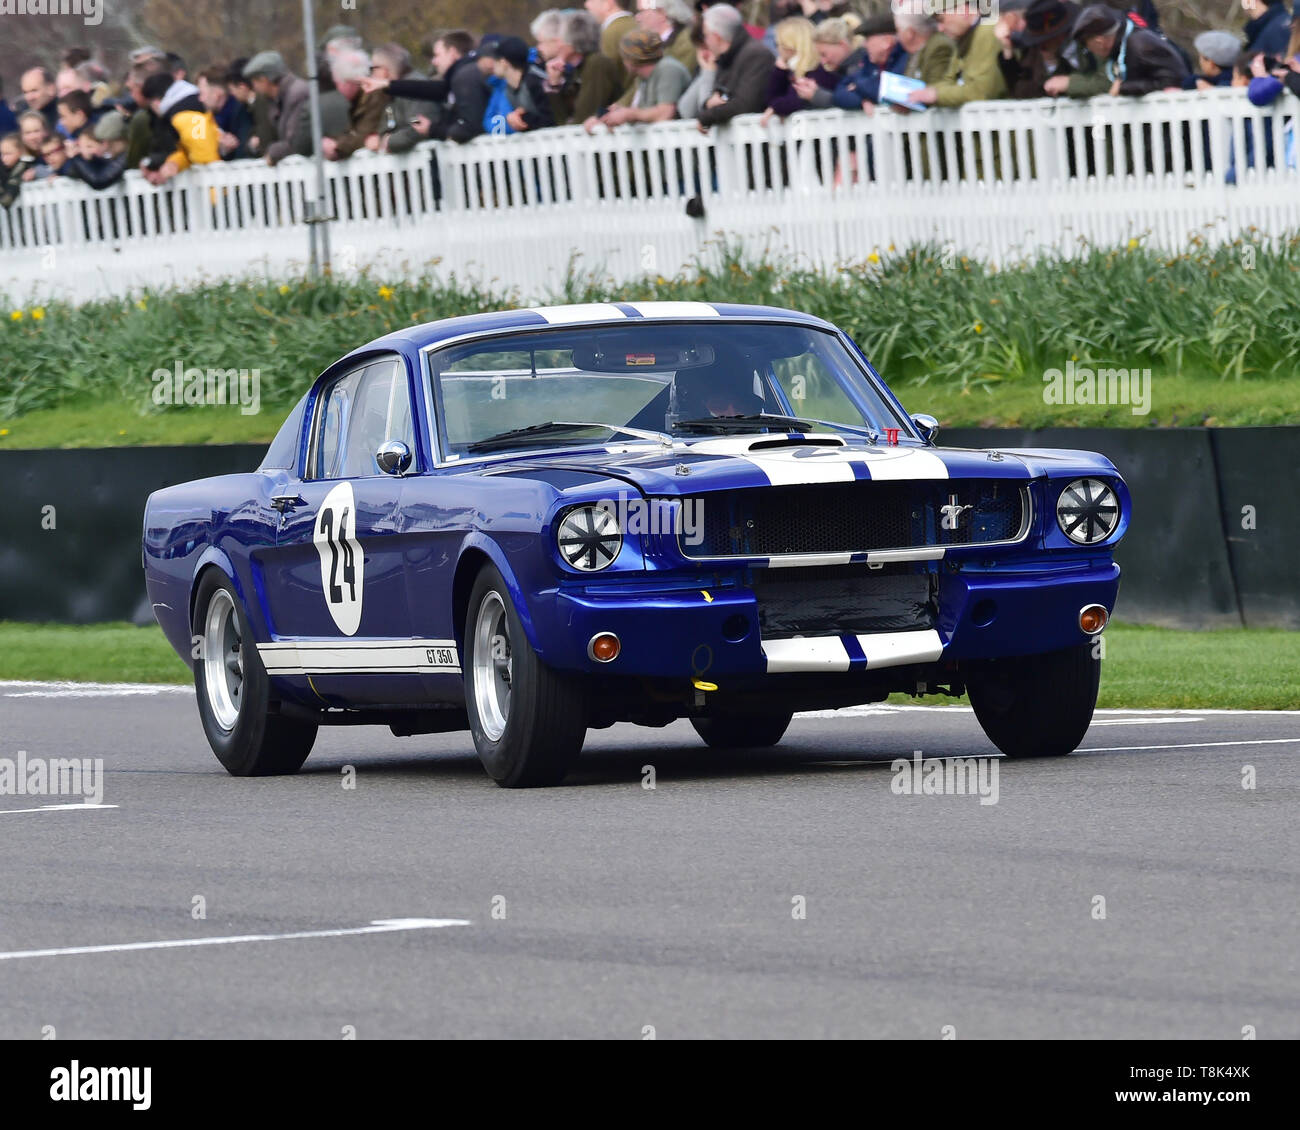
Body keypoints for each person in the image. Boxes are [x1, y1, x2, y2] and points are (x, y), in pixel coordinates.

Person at [361, 29, 488, 144]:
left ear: (452, 52)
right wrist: (386, 84)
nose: (434, 62)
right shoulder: (458, 78)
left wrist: (388, 142)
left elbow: (468, 126)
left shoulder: (465, 77)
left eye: (437, 55)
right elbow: (426, 89)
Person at [1070, 5, 1189, 96]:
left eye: (1087, 46)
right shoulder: (1125, 45)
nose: (1090, 51)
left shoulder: (1141, 46)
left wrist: (1124, 88)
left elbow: (1173, 82)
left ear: (1099, 42)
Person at [588, 27, 692, 129]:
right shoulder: (641, 77)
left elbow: (665, 113)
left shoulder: (668, 69)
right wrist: (600, 119)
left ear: (629, 60)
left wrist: (630, 114)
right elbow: (620, 107)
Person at [907, 1, 1007, 106]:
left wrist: (936, 94)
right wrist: (925, 95)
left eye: (941, 20)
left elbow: (981, 92)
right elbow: (948, 81)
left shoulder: (986, 33)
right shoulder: (965, 37)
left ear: (963, 11)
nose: (940, 28)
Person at [696, 3, 776, 129]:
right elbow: (718, 97)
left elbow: (745, 104)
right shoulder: (727, 57)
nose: (706, 42)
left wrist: (707, 116)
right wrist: (708, 104)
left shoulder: (756, 55)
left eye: (706, 36)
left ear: (717, 37)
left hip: (759, 140)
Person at [542, 9, 624, 125]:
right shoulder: (577, 70)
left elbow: (583, 117)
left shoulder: (597, 64)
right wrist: (554, 83)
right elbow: (561, 120)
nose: (557, 46)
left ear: (573, 41)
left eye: (559, 39)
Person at [139, 71, 219, 184]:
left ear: (156, 102)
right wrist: (174, 163)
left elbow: (204, 154)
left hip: (218, 188)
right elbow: (188, 151)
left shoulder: (184, 116)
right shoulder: (189, 109)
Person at [1000, 0, 1084, 100]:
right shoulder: (1033, 52)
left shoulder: (1082, 43)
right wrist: (1007, 49)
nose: (1044, 44)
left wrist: (1070, 82)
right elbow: (1021, 91)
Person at [242, 51, 311, 166]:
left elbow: (296, 141)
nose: (254, 87)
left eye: (254, 82)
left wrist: (273, 152)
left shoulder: (297, 95)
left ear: (264, 80)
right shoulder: (277, 99)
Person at [321, 49, 389, 159]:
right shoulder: (358, 100)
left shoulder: (374, 97)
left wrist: (336, 146)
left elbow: (363, 134)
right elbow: (353, 133)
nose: (338, 89)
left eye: (339, 83)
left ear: (351, 82)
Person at [830, 13, 908, 111]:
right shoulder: (868, 61)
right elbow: (839, 94)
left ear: (887, 41)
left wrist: (858, 87)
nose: (864, 45)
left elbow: (890, 92)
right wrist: (862, 100)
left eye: (867, 39)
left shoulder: (904, 58)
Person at [761, 16, 833, 120]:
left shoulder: (816, 71)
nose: (777, 48)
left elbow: (792, 103)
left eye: (777, 44)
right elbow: (771, 100)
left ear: (789, 47)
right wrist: (780, 71)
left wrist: (775, 107)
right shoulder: (796, 70)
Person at [491, 36, 555, 132]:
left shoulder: (534, 82)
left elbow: (550, 119)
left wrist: (522, 118)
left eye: (495, 61)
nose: (492, 65)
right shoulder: (509, 87)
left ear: (504, 62)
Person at [197, 65, 253, 159]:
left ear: (217, 94)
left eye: (202, 93)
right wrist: (222, 149)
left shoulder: (241, 112)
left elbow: (244, 152)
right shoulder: (209, 120)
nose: (200, 99)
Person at [62, 110, 128, 190]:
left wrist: (76, 157)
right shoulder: (120, 155)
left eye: (108, 141)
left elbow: (99, 180)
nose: (106, 146)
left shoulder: (128, 155)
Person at [226, 58, 276, 158]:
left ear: (242, 87)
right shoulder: (244, 108)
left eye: (232, 90)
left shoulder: (261, 104)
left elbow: (264, 139)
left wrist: (253, 145)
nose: (232, 94)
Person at [895, 10, 957, 87]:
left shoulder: (939, 47)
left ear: (910, 33)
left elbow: (935, 89)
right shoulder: (913, 50)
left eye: (898, 30)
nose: (897, 36)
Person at [636, 0, 699, 75]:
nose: (637, 18)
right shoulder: (648, 42)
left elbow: (673, 81)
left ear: (661, 13)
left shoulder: (686, 44)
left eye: (642, 11)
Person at [587, 0, 639, 89]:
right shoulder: (637, 24)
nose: (587, 4)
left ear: (608, 4)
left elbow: (604, 78)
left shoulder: (610, 33)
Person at [18, 68, 60, 133]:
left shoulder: (63, 113)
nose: (29, 98)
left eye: (34, 90)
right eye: (25, 92)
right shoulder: (22, 117)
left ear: (51, 88)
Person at [0, 132, 30, 208]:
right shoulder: (4, 169)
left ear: (21, 152)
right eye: (2, 154)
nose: (3, 158)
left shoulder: (25, 166)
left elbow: (6, 200)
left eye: (8, 154)